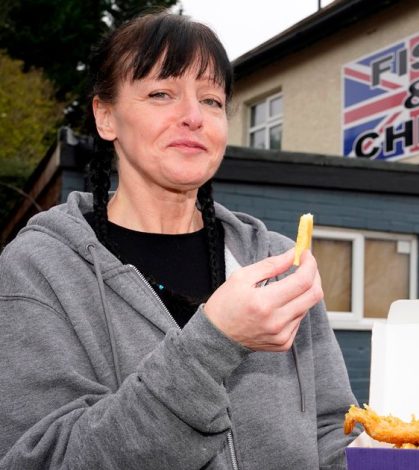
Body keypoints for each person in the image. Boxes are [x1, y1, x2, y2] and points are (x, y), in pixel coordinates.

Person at [0, 11, 358, 469]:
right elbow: (45, 460)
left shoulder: (276, 260)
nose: (193, 117)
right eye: (161, 93)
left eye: (211, 100)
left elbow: (333, 431)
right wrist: (216, 341)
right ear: (105, 117)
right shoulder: (39, 269)